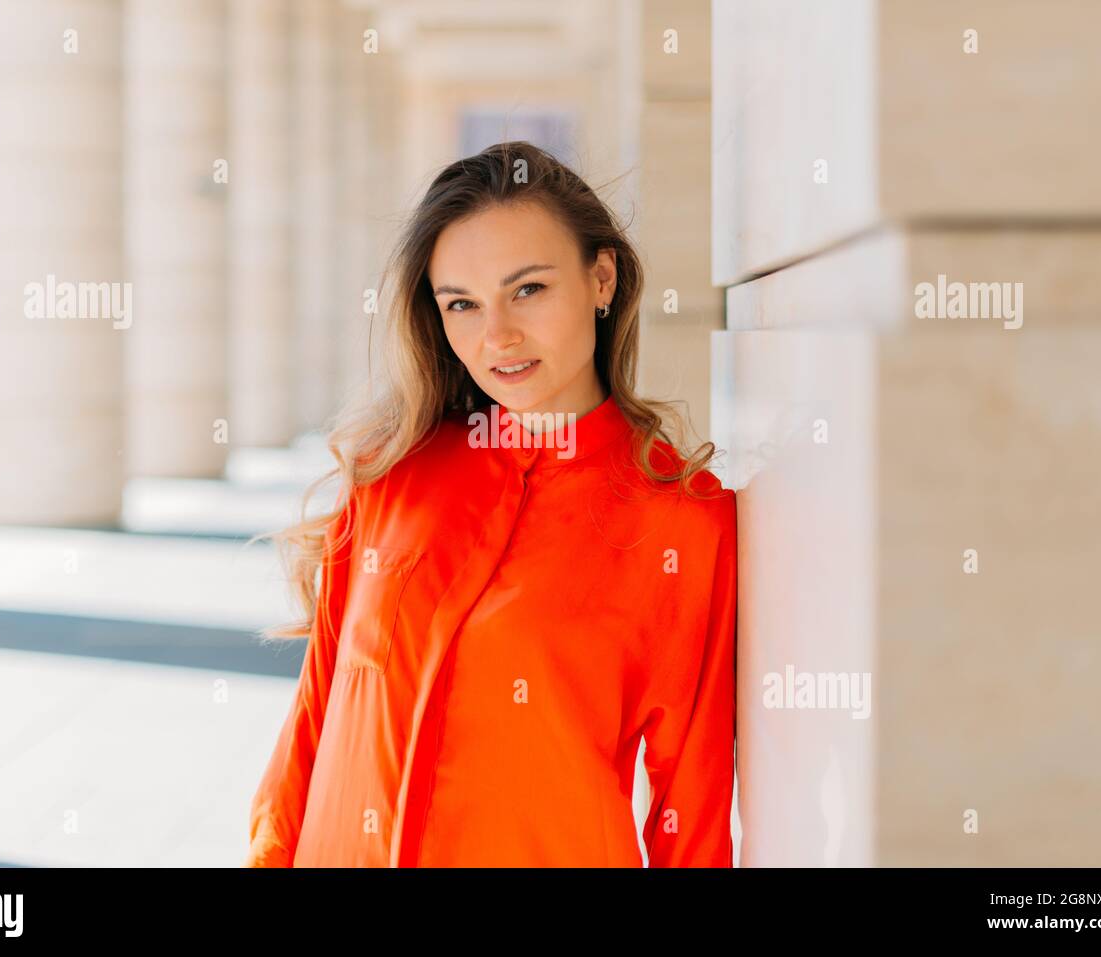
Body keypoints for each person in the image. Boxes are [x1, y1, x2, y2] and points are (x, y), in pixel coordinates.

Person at [245, 141, 737, 867]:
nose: (497, 335)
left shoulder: (680, 521)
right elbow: (314, 720)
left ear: (601, 278)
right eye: (463, 305)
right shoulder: (394, 475)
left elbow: (689, 813)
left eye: (528, 289)